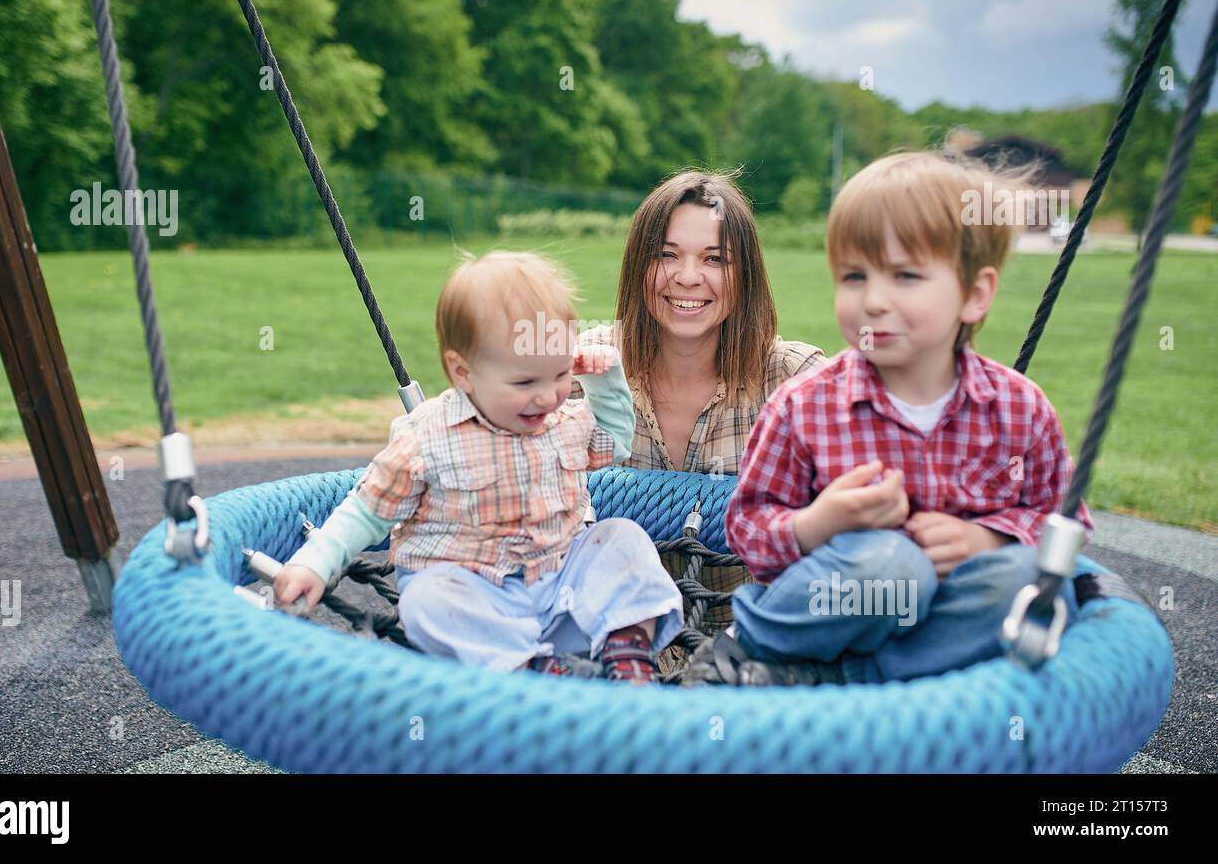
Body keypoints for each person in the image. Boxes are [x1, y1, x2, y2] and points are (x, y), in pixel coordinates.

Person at [688, 151, 1094, 686]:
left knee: (1027, 578)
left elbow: (1065, 524)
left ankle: (849, 679)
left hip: (935, 625)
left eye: (905, 275)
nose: (874, 300)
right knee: (893, 563)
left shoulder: (1018, 409)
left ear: (974, 295)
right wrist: (819, 523)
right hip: (821, 613)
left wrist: (987, 541)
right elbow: (746, 531)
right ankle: (755, 655)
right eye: (855, 276)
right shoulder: (804, 406)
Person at [274, 251, 683, 683]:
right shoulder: (427, 437)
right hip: (477, 603)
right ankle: (532, 671)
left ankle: (625, 652)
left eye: (561, 374)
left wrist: (604, 381)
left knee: (623, 539)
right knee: (427, 601)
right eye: (525, 382)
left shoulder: (563, 421)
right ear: (463, 372)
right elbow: (367, 510)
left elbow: (617, 441)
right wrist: (315, 563)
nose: (547, 397)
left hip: (562, 593)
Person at [570, 170, 825, 656]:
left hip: (758, 652)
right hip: (618, 652)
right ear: (639, 267)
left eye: (715, 259)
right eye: (667, 255)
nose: (688, 276)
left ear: (744, 275)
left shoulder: (795, 379)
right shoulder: (590, 371)